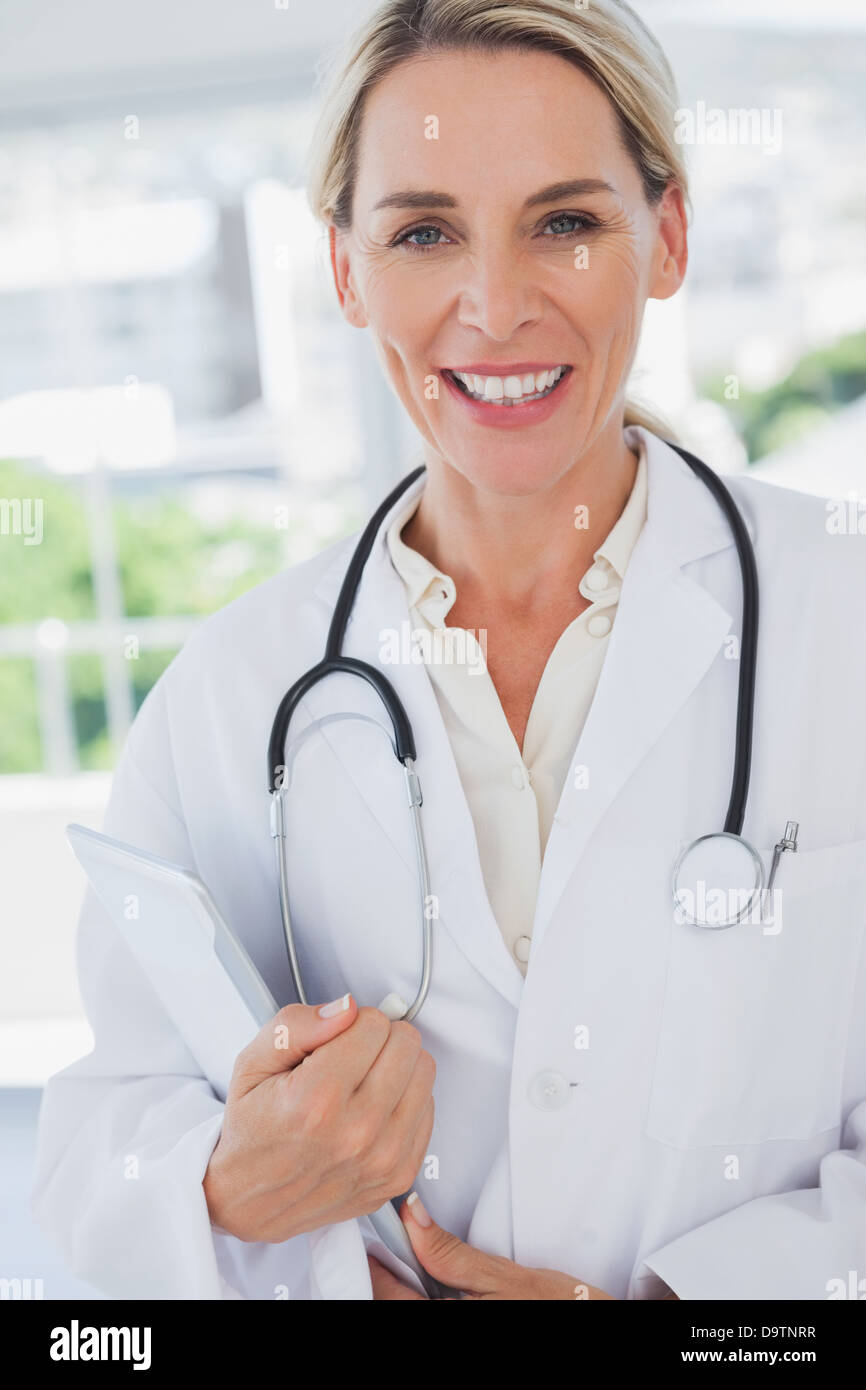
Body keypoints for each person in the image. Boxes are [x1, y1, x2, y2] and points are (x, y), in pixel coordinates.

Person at [33, 0, 866, 1301]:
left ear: (668, 236)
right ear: (348, 271)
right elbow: (99, 1147)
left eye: (565, 221)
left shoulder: (844, 614)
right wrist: (232, 1190)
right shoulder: (233, 692)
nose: (494, 305)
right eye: (424, 231)